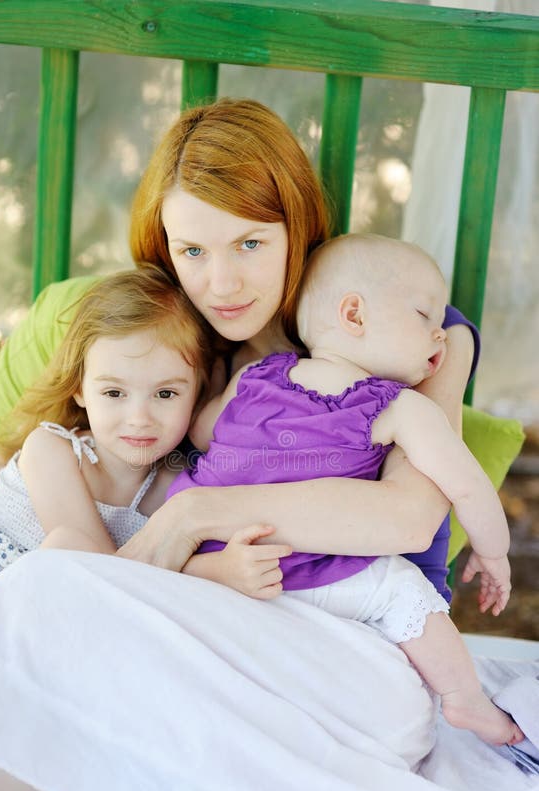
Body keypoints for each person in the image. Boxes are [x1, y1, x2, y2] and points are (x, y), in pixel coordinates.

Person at [0, 98, 509, 791]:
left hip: (376, 635)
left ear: (295, 227)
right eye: (192, 250)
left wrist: (195, 515)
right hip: (228, 621)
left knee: (50, 597)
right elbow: (53, 443)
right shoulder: (183, 347)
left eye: (249, 242)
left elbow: (408, 515)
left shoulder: (409, 325)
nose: (222, 280)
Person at [168, 232, 523, 750]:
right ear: (354, 315)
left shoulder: (253, 377)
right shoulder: (397, 407)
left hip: (213, 569)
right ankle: (466, 699)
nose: (441, 335)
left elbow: (199, 435)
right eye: (426, 316)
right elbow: (466, 485)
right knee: (404, 592)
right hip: (315, 574)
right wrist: (495, 553)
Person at [0, 265, 290, 603]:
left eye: (166, 394)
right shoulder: (51, 450)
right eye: (114, 393)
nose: (139, 419)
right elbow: (95, 565)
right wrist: (210, 570)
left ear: (197, 395)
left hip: (37, 603)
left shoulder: (175, 485)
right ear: (79, 388)